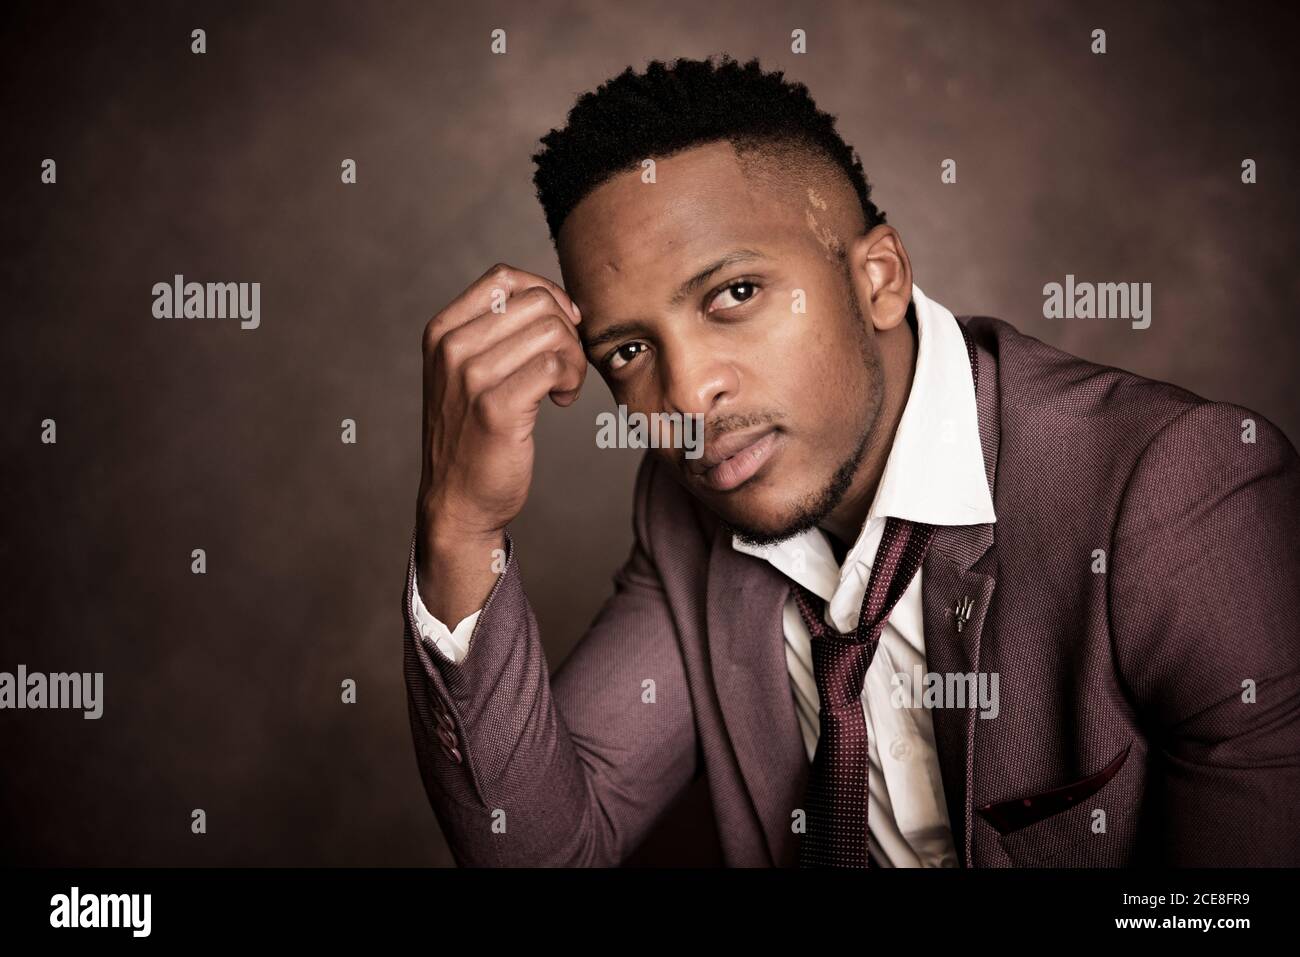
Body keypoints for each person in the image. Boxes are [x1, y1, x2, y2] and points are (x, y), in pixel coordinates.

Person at [403, 55, 1300, 867]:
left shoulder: (1180, 491)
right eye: (628, 352)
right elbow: (543, 851)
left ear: (878, 277)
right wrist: (460, 521)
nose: (684, 399)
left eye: (734, 295)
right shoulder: (688, 508)